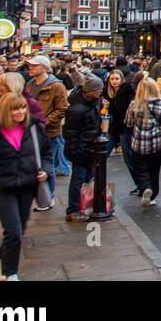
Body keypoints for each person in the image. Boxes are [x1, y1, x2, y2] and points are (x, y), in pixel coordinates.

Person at [0, 92, 50, 280]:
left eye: (22, 108)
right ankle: (9, 272)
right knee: (13, 231)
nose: (20, 112)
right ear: (5, 111)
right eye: (15, 109)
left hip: (27, 185)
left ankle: (2, 259)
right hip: (1, 188)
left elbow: (46, 153)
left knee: (19, 228)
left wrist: (45, 169)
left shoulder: (34, 127)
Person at [25, 55, 68, 209]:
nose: (30, 68)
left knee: (47, 165)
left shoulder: (56, 86)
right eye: (30, 66)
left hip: (49, 132)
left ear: (44, 67)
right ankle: (41, 195)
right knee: (37, 165)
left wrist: (44, 122)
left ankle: (48, 197)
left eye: (34, 66)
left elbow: (62, 108)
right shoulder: (29, 85)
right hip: (31, 131)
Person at [62, 77, 103, 222]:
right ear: (90, 91)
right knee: (78, 180)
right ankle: (73, 210)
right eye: (99, 89)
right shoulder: (77, 109)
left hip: (91, 147)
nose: (101, 91)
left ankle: (87, 205)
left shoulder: (93, 102)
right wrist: (76, 152)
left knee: (88, 179)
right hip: (81, 149)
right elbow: (70, 133)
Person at [127, 76, 161, 207]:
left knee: (140, 169)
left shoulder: (134, 104)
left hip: (138, 143)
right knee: (155, 170)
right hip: (156, 143)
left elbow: (128, 123)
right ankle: (153, 195)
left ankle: (145, 187)